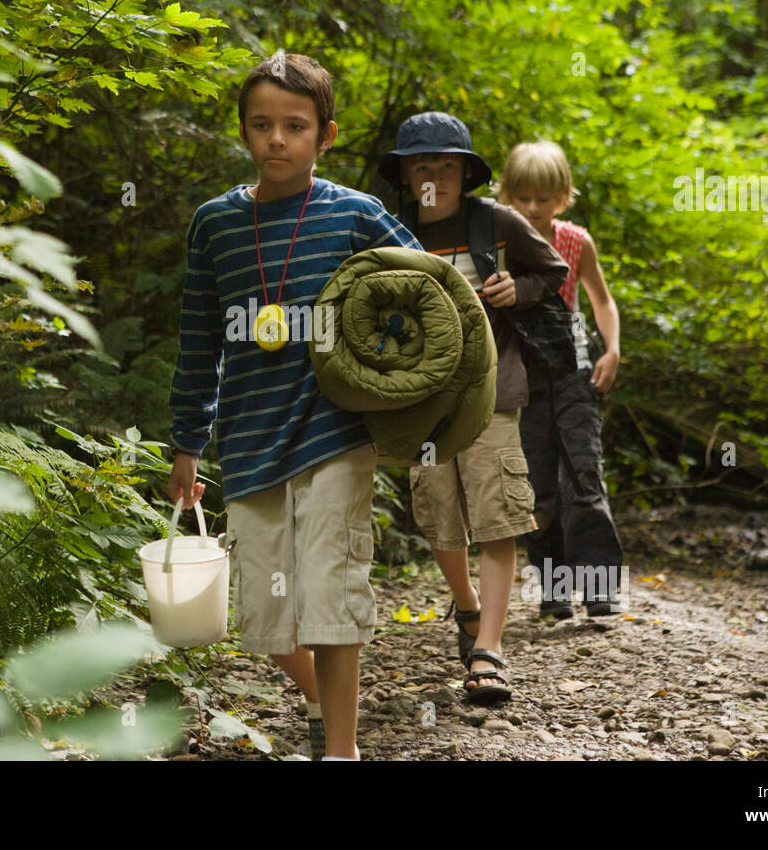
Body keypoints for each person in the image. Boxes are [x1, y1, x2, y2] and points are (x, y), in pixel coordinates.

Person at [167, 53, 420, 760]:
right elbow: (197, 339)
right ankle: (314, 700)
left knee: (331, 600)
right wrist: (188, 444)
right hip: (248, 442)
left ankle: (342, 751)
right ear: (244, 131)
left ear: (326, 135)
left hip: (334, 435)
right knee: (266, 618)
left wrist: (389, 362)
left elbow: (426, 294)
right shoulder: (214, 224)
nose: (278, 140)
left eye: (295, 126)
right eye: (262, 125)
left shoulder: (356, 213)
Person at [377, 113, 568, 703]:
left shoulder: (498, 221)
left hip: (494, 389)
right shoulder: (387, 229)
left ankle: (489, 647)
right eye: (422, 165)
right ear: (406, 175)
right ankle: (467, 605)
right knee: (438, 513)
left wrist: (520, 289)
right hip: (417, 397)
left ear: (466, 172)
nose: (435, 175)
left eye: (447, 165)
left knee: (497, 514)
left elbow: (553, 271)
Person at [498, 141, 625, 618]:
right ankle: (553, 588)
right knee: (535, 482)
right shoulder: (498, 242)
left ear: (562, 198)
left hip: (573, 370)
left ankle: (598, 587)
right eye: (523, 198)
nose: (533, 209)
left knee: (583, 471)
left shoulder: (575, 241)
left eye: (543, 199)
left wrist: (612, 350)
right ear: (507, 195)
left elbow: (602, 299)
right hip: (521, 375)